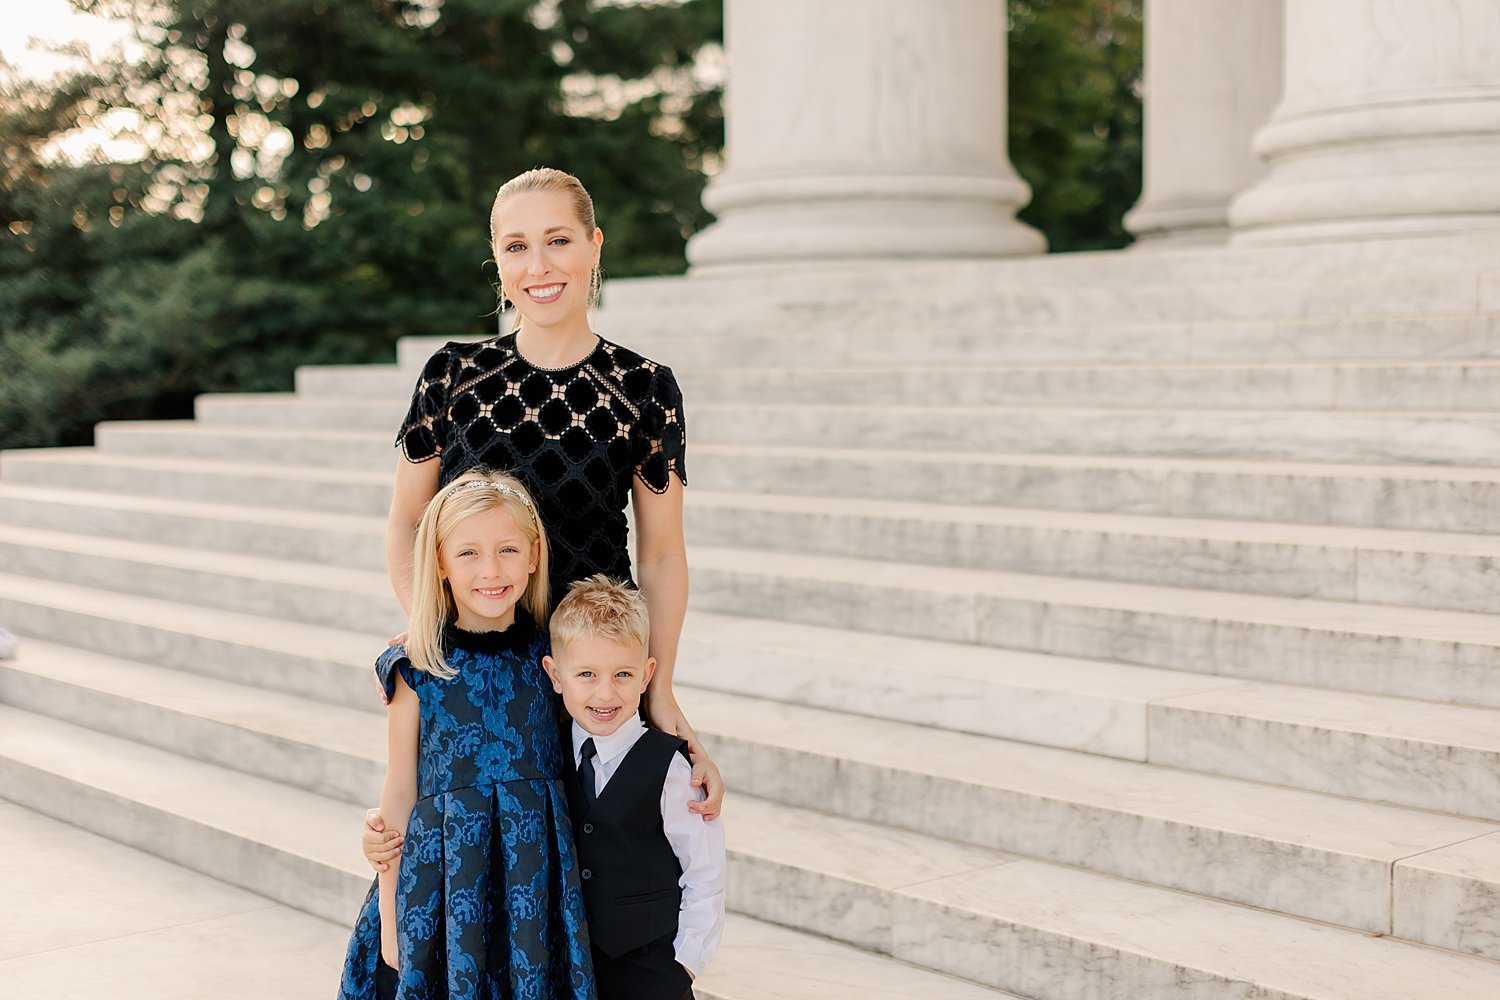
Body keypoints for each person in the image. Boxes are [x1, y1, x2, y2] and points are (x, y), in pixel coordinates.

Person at [338, 470, 595, 1000]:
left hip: (535, 880)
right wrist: (390, 917)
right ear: (438, 562)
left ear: (533, 554)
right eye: (468, 554)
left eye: (506, 550)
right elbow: (400, 792)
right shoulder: (418, 667)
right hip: (442, 885)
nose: (491, 571)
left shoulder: (555, 659)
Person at [543, 575, 725, 1000]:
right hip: (573, 966)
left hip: (652, 971)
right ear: (555, 675)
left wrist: (684, 966)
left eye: (622, 674)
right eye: (586, 674)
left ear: (646, 676)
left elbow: (705, 873)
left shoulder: (672, 767)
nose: (605, 693)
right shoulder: (547, 751)